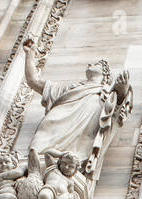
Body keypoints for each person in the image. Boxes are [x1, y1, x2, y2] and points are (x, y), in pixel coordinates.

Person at [23, 40, 131, 176]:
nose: (89, 64)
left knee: (67, 163)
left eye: (96, 64)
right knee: (35, 153)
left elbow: (115, 113)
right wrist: (30, 54)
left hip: (81, 136)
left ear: (105, 73)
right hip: (52, 126)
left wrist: (121, 91)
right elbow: (33, 81)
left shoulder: (107, 93)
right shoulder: (68, 88)